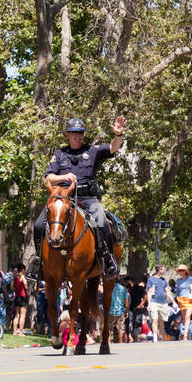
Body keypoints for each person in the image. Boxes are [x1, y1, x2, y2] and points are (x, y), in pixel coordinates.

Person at [26, 115, 126, 281]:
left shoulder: (92, 151)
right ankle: (38, 261)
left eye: (80, 133)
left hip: (87, 198)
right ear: (67, 134)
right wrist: (64, 177)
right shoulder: (59, 154)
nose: (77, 136)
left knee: (102, 223)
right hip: (63, 198)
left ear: (83, 134)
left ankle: (108, 260)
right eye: (73, 133)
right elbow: (48, 178)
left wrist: (118, 135)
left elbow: (112, 148)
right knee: (38, 225)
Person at [145, 265, 172, 342]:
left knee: (161, 321)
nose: (164, 271)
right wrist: (149, 304)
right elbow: (149, 292)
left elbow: (167, 291)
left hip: (163, 303)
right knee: (155, 319)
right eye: (163, 269)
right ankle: (155, 336)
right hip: (154, 302)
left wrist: (173, 301)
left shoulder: (164, 280)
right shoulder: (151, 280)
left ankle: (160, 335)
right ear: (159, 270)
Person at [173, 264, 192, 341]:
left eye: (182, 270)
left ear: (185, 271)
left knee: (187, 317)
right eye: (179, 271)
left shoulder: (191, 279)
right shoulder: (178, 281)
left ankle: (185, 335)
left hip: (189, 300)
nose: (180, 272)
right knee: (184, 318)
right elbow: (178, 291)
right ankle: (188, 333)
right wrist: (176, 298)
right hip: (181, 300)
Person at [109, 274, 129, 343]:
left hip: (110, 310)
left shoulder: (110, 288)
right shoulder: (124, 289)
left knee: (109, 329)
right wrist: (126, 311)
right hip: (120, 311)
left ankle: (107, 343)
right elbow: (126, 302)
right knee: (120, 329)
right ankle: (120, 343)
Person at [11, 264, 29, 335]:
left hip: (17, 297)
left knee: (16, 315)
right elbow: (26, 286)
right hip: (23, 297)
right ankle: (21, 332)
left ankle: (15, 331)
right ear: (22, 269)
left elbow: (12, 287)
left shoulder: (15, 277)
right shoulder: (22, 277)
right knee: (22, 315)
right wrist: (25, 282)